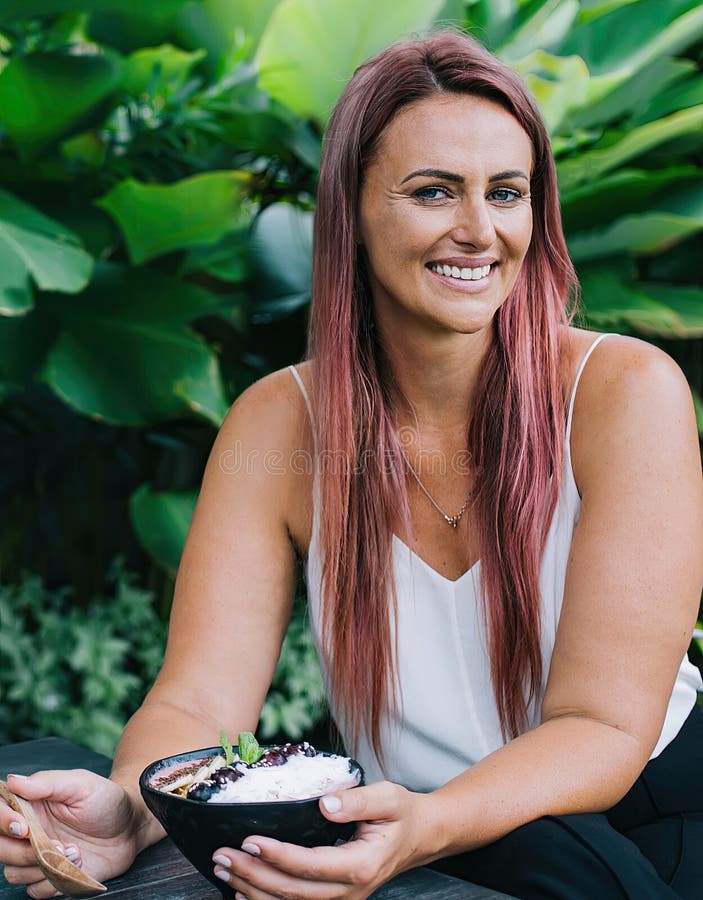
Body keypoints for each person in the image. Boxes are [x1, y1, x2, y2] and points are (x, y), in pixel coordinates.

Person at [2, 29, 702, 900]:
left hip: (637, 822)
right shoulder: (276, 424)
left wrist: (423, 826)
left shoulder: (624, 392)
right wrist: (136, 810)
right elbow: (198, 699)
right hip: (411, 839)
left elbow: (600, 727)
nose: (479, 231)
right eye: (433, 192)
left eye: (508, 193)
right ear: (353, 210)